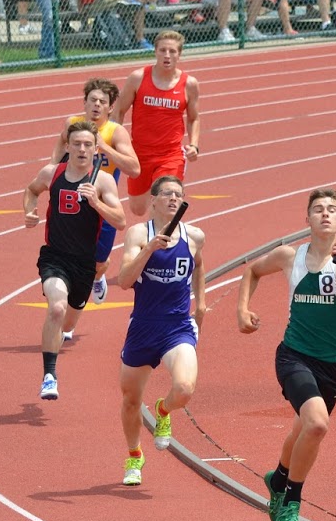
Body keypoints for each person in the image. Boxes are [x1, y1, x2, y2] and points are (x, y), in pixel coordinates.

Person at [237, 188, 336, 521]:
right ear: (307, 219)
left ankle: (278, 477)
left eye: (332, 209)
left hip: (333, 364)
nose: (326, 214)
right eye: (318, 209)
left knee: (302, 430)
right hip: (293, 355)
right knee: (316, 425)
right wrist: (242, 309)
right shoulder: (291, 256)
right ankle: (291, 500)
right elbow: (251, 272)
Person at [23, 120, 128, 402]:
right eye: (77, 144)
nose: (82, 149)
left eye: (88, 145)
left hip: (84, 264)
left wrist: (96, 203)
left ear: (96, 150)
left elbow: (120, 221)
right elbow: (31, 190)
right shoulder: (51, 173)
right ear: (67, 147)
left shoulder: (102, 181)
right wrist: (30, 212)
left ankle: (77, 312)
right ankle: (49, 376)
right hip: (55, 257)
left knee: (68, 321)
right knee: (56, 308)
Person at [116, 175, 208, 486]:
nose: (172, 198)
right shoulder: (138, 234)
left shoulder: (194, 235)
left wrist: (202, 303)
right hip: (143, 326)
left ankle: (162, 411)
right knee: (130, 398)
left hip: (176, 326)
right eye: (166, 193)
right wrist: (149, 250)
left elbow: (198, 265)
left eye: (178, 194)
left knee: (184, 388)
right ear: (153, 200)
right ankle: (134, 455)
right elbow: (125, 280)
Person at [50, 76, 141, 310]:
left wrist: (105, 146)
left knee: (99, 261)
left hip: (102, 201)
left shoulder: (115, 132)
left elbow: (134, 169)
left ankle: (99, 275)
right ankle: (67, 305)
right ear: (85, 103)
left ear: (111, 107)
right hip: (76, 200)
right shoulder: (72, 124)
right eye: (92, 100)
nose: (97, 105)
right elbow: (59, 150)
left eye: (102, 101)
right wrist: (55, 173)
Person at [114, 30, 202, 219]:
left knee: (165, 199)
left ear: (180, 54)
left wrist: (194, 144)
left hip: (170, 155)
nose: (167, 55)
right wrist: (113, 141)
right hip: (139, 153)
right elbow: (119, 111)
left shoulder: (189, 84)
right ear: (155, 52)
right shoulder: (138, 78)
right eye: (163, 50)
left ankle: (159, 242)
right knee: (138, 209)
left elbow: (194, 118)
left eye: (172, 51)